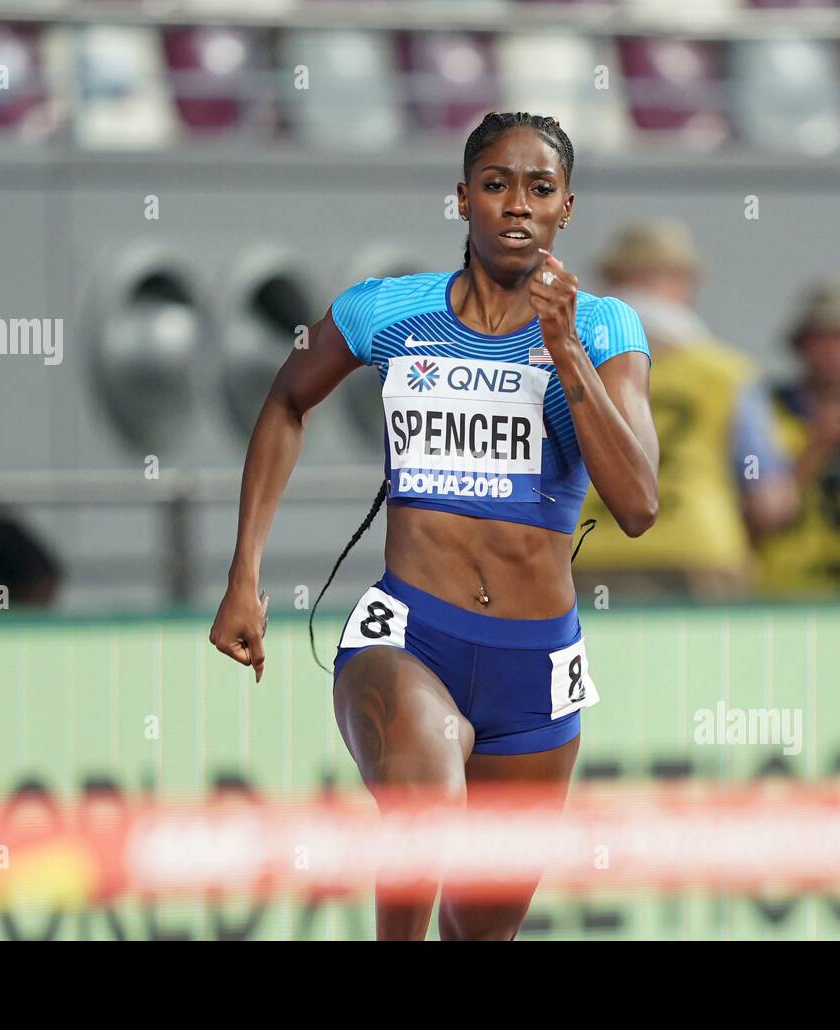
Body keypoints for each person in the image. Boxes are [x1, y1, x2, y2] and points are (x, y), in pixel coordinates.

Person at [208, 111, 658, 940]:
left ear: (566, 210)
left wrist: (564, 354)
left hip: (537, 669)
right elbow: (285, 399)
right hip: (411, 637)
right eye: (494, 185)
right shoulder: (386, 312)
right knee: (428, 808)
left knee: (480, 931)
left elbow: (637, 506)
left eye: (539, 188)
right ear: (462, 200)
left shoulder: (604, 329)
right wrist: (245, 575)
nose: (515, 205)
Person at [572, 220, 796, 599]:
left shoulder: (565, 365)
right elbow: (770, 504)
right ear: (684, 284)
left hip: (586, 557)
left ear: (610, 281)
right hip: (699, 560)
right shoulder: (727, 374)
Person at [754, 281, 840, 596]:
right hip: (775, 598)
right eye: (830, 339)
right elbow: (755, 520)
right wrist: (814, 450)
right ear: (803, 345)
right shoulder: (761, 416)